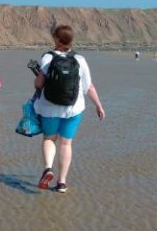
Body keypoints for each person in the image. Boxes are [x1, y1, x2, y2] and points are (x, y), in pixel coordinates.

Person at [33, 25, 105, 193]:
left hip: (49, 108)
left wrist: (37, 79)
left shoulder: (47, 58)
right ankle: (62, 183)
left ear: (57, 39)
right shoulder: (80, 60)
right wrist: (99, 106)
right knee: (66, 143)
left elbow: (39, 84)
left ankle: (48, 168)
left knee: (49, 139)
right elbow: (89, 87)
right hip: (73, 108)